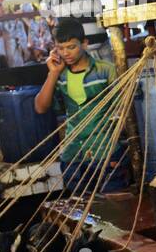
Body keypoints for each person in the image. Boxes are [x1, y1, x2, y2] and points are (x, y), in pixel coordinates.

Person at [34, 18, 129, 194]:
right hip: (74, 156)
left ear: (84, 44)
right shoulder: (59, 75)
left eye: (71, 47)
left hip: (105, 153)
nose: (66, 53)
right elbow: (40, 107)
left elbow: (124, 108)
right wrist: (53, 73)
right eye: (61, 48)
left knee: (114, 208)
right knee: (81, 210)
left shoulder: (105, 70)